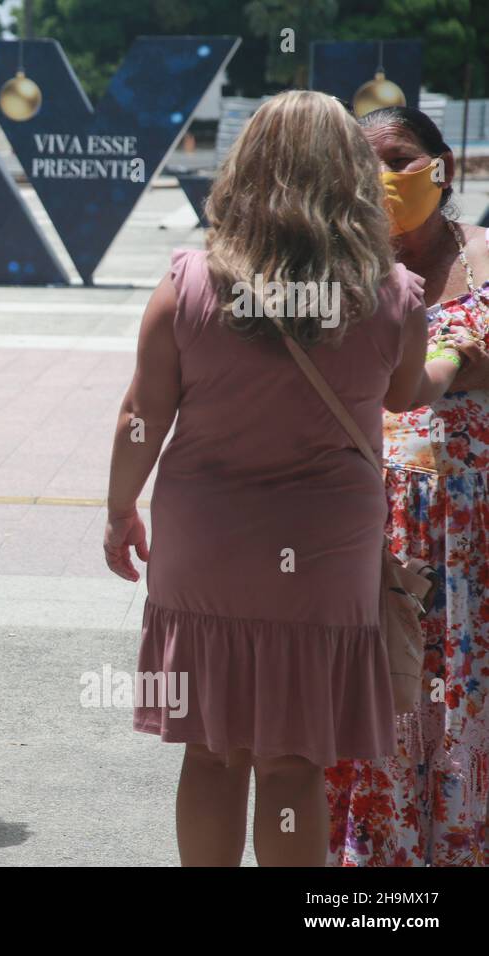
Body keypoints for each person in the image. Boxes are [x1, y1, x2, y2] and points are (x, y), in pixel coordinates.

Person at [102, 91, 484, 866]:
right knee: (292, 761)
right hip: (322, 556)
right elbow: (405, 397)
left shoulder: (189, 284)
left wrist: (119, 513)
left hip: (206, 547)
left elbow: (139, 417)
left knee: (210, 751)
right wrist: (452, 361)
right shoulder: (393, 296)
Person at [326, 105, 489, 867]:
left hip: (473, 528)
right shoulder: (333, 270)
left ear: (440, 165)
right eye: (367, 164)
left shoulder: (486, 258)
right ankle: (379, 879)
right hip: (369, 525)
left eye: (400, 159)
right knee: (381, 702)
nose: (384, 178)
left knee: (465, 694)